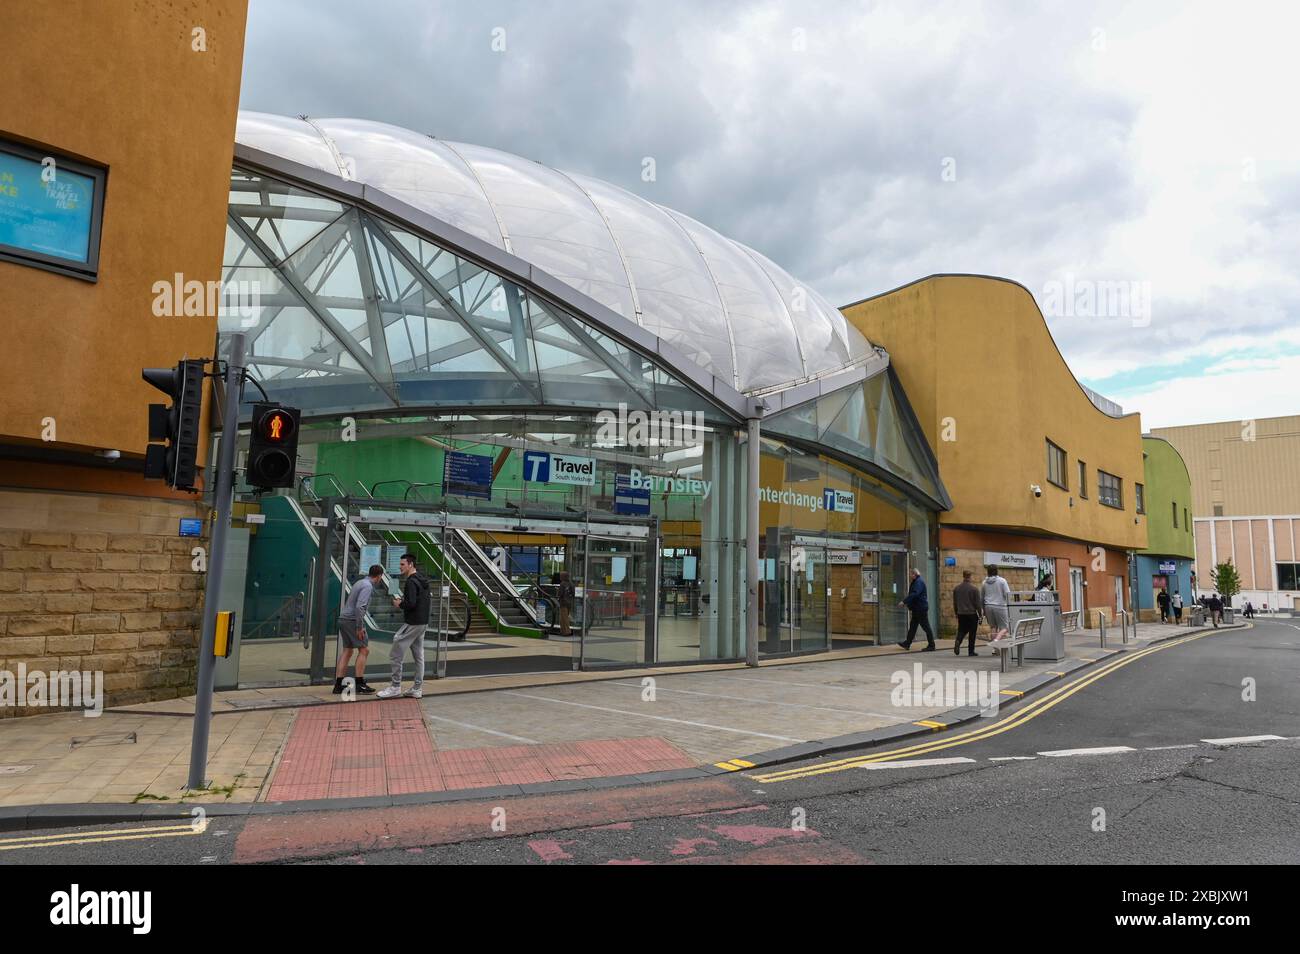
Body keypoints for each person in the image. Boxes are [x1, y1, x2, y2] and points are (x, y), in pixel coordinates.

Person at [378, 553, 429, 699]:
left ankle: (395, 687)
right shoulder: (422, 580)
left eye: (402, 564)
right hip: (422, 622)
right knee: (419, 656)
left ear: (410, 564)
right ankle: (417, 688)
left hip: (413, 622)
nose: (400, 567)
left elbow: (411, 603)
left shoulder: (411, 581)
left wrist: (399, 603)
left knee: (396, 652)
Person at [334, 563, 382, 695]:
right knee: (364, 650)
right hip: (352, 620)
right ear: (379, 577)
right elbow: (360, 607)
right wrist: (359, 627)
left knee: (347, 651)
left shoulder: (360, 582)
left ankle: (339, 685)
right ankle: (360, 683)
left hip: (343, 619)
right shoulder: (368, 586)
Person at [898, 568, 935, 651]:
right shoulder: (917, 581)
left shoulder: (918, 582)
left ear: (914, 574)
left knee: (926, 627)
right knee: (913, 626)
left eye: (911, 574)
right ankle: (907, 643)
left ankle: (932, 645)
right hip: (917, 608)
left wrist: (904, 602)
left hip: (920, 608)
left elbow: (915, 593)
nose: (910, 576)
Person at [980, 565, 1012, 653]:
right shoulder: (1002, 581)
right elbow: (1008, 594)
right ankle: (996, 641)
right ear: (996, 571)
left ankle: (995, 649)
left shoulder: (984, 582)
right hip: (1000, 606)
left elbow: (981, 597)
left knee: (993, 627)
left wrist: (982, 609)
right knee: (1005, 627)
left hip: (988, 606)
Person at [952, 569, 983, 657]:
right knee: (972, 632)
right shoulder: (974, 589)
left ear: (963, 576)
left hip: (961, 613)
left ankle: (958, 640)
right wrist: (980, 614)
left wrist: (956, 612)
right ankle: (971, 651)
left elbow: (955, 602)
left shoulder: (957, 589)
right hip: (971, 613)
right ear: (970, 577)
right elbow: (977, 604)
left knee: (962, 629)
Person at [558, 571, 576, 636]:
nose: (560, 577)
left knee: (564, 618)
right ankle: (563, 631)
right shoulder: (571, 583)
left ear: (563, 577)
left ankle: (567, 631)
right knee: (564, 617)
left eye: (560, 576)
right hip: (569, 603)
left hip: (563, 603)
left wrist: (558, 597)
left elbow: (560, 594)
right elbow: (573, 593)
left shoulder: (562, 584)